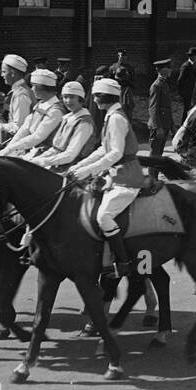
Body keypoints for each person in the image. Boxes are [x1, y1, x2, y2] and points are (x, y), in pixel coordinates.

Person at [66, 77, 143, 276]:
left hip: (127, 175)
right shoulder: (111, 115)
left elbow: (116, 153)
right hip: (115, 173)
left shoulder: (116, 118)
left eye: (97, 96)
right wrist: (80, 165)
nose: (95, 100)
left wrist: (86, 171)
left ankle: (123, 262)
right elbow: (103, 148)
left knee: (104, 216)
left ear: (105, 97)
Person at [28, 81, 97, 172]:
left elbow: (70, 155)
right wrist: (36, 159)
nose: (68, 101)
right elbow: (56, 148)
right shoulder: (67, 118)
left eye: (72, 97)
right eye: (65, 97)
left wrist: (43, 161)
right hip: (56, 164)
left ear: (80, 99)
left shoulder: (84, 123)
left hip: (72, 168)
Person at [0, 69, 64, 157]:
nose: (32, 89)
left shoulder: (55, 111)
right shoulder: (39, 104)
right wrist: (7, 148)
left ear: (44, 87)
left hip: (46, 154)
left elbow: (38, 137)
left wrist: (12, 149)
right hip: (32, 151)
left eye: (34, 86)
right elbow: (24, 129)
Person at [147, 59, 176, 171]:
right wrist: (158, 127)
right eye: (168, 68)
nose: (170, 70)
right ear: (163, 70)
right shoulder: (156, 86)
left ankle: (155, 177)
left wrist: (172, 125)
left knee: (159, 154)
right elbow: (153, 108)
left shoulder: (164, 85)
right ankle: (151, 178)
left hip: (165, 124)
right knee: (154, 154)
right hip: (159, 126)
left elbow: (167, 108)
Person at [0, 54, 34, 135]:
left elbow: (19, 127)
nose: (2, 75)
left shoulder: (21, 94)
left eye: (4, 72)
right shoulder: (21, 90)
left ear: (12, 73)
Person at [110, 49, 136, 117]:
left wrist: (127, 82)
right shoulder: (113, 67)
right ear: (118, 57)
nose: (122, 58)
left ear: (126, 57)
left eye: (124, 56)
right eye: (120, 56)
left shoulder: (130, 68)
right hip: (115, 90)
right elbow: (110, 79)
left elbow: (133, 80)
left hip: (126, 90)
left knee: (126, 108)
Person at [177, 47, 196, 113]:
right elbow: (180, 80)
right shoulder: (186, 66)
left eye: (195, 56)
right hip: (187, 93)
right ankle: (184, 123)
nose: (194, 58)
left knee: (192, 109)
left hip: (192, 92)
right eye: (192, 56)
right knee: (187, 110)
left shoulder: (194, 66)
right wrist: (182, 92)